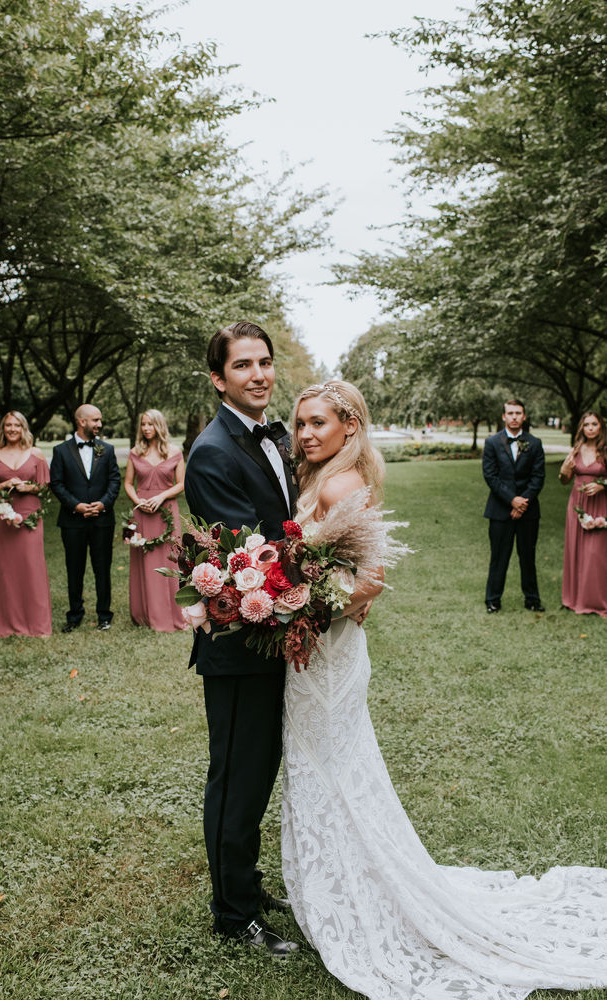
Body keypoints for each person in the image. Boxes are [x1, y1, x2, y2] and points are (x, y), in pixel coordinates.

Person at [281, 379, 607, 1000]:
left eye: (318, 422)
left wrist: (301, 611)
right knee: (329, 768)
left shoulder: (342, 483)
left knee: (332, 771)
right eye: (300, 423)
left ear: (349, 426)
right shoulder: (326, 478)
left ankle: (355, 894)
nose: (306, 434)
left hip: (328, 651)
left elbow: (371, 580)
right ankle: (342, 883)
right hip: (322, 650)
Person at [184, 321, 298, 956]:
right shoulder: (213, 451)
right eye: (243, 365)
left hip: (271, 638)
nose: (258, 374)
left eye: (265, 362)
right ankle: (233, 912)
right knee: (236, 777)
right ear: (218, 378)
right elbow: (254, 552)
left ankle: (246, 885)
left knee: (259, 772)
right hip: (237, 645)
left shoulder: (268, 438)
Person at [0, 412, 52, 637]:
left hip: (30, 515)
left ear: (23, 428)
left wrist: (29, 488)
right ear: (3, 428)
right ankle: (4, 624)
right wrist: (6, 484)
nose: (12, 429)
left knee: (31, 566)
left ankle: (36, 625)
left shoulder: (35, 453)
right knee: (4, 570)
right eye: (8, 425)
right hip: (0, 516)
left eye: (16, 425)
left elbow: (44, 485)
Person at [50, 404, 120, 633]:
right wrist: (76, 505)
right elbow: (57, 484)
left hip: (102, 520)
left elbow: (114, 481)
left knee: (102, 569)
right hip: (73, 522)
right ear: (82, 422)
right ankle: (74, 615)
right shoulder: (60, 451)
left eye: (100, 420)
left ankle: (104, 615)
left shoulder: (107, 450)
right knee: (74, 568)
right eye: (96, 420)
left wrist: (103, 503)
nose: (99, 424)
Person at [124, 409, 187, 631]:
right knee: (145, 561)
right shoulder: (135, 452)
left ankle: (172, 612)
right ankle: (144, 613)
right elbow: (128, 483)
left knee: (169, 560)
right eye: (143, 424)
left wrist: (161, 496)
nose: (146, 428)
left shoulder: (174, 452)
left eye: (150, 424)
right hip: (142, 514)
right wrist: (138, 501)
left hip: (166, 511)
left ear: (159, 426)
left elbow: (181, 484)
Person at [482, 398, 545, 613]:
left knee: (528, 556)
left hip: (528, 512)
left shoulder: (535, 443)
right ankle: (493, 599)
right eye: (510, 413)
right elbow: (490, 476)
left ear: (524, 416)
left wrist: (523, 502)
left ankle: (532, 599)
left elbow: (538, 477)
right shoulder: (492, 443)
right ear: (503, 416)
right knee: (499, 557)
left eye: (518, 413)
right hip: (500, 511)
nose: (514, 417)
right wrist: (512, 500)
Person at [559, 411, 607, 617]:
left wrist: (602, 485)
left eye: (594, 424)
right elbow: (564, 480)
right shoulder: (576, 450)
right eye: (586, 424)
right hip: (577, 505)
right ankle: (574, 598)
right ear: (582, 428)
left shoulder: (605, 451)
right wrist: (563, 470)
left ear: (600, 427)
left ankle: (596, 601)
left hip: (599, 504)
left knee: (596, 553)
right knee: (576, 550)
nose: (590, 428)